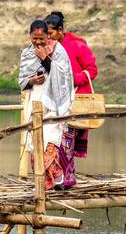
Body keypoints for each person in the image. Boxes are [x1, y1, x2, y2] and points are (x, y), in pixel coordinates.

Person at [18, 18, 78, 190]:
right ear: (30, 36)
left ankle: (55, 177)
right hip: (35, 101)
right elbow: (21, 81)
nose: (38, 42)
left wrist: (46, 60)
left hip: (54, 104)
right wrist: (32, 80)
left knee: (49, 141)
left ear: (47, 36)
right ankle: (48, 181)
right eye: (34, 38)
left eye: (41, 38)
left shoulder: (59, 51)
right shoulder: (26, 53)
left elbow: (65, 78)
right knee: (34, 141)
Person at [44, 11, 98, 159]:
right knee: (52, 141)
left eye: (50, 33)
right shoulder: (47, 47)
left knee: (65, 144)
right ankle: (58, 179)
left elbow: (92, 70)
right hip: (55, 101)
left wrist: (71, 79)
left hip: (75, 100)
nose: (48, 37)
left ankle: (64, 180)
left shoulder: (77, 45)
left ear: (60, 30)